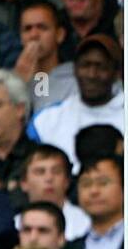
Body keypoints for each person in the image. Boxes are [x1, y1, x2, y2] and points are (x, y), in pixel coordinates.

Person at [28, 34, 123, 172]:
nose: (92, 74)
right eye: (85, 65)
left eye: (100, 66)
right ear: (74, 69)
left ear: (116, 73)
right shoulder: (46, 119)